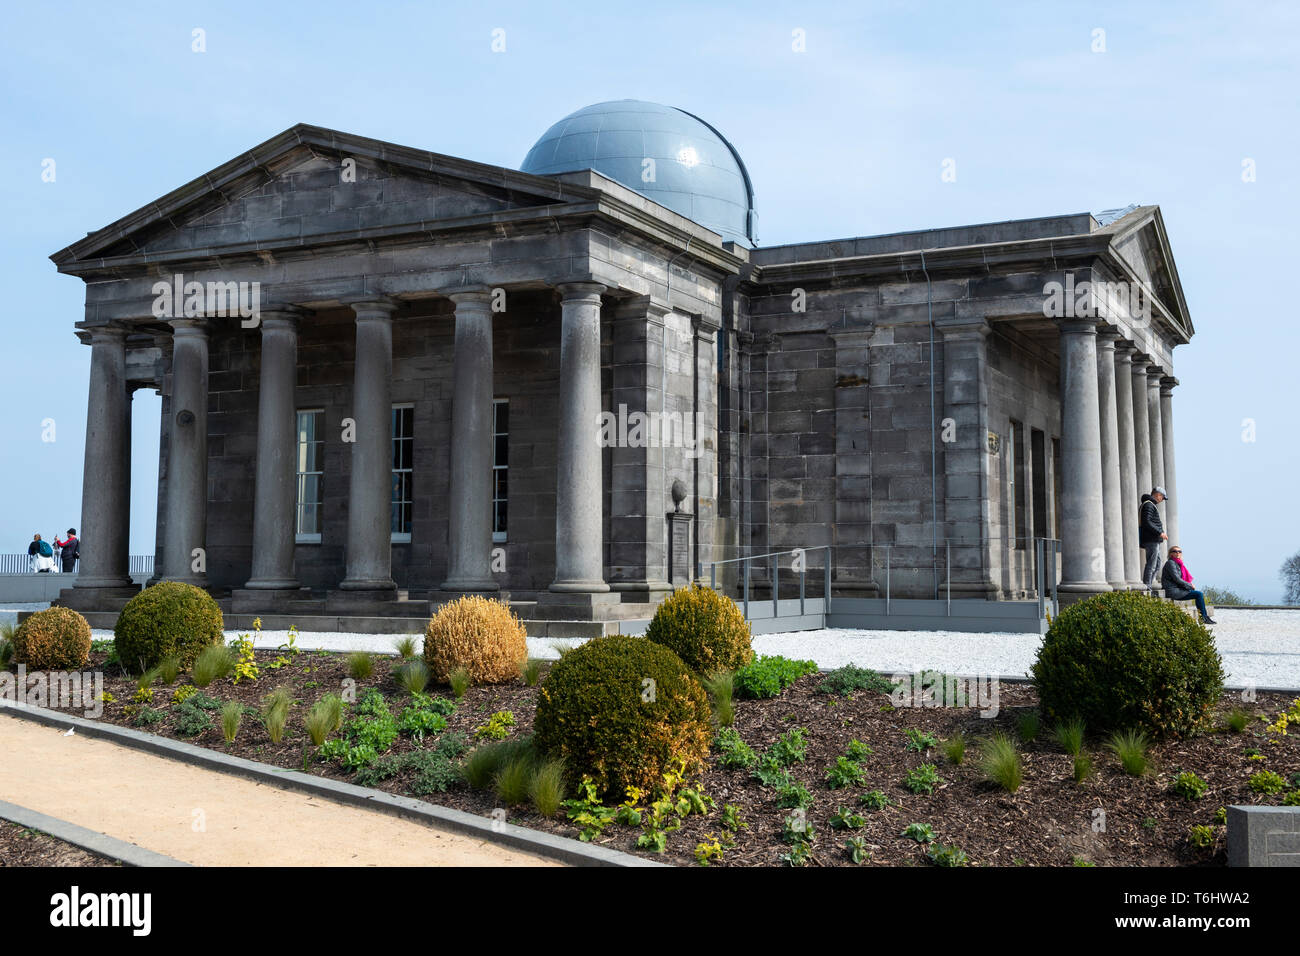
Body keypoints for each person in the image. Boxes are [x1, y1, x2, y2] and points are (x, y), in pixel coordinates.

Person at [1161, 546, 1216, 625]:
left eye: (1179, 551)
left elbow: (1180, 579)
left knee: (1198, 594)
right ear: (1171, 554)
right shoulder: (1170, 563)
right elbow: (1177, 579)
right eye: (1175, 551)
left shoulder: (1178, 564)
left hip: (1178, 589)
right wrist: (1190, 585)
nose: (1178, 553)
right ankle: (1203, 617)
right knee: (1198, 594)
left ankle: (1204, 617)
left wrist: (1188, 585)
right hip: (1173, 591)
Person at [1138, 486, 1169, 589]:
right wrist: (1160, 533)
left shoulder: (1150, 505)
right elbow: (1147, 522)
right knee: (1152, 564)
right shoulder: (1149, 505)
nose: (1162, 500)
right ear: (1157, 495)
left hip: (1153, 540)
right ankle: (1147, 586)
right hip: (1151, 540)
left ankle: (1149, 585)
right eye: (1162, 497)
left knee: (1156, 564)